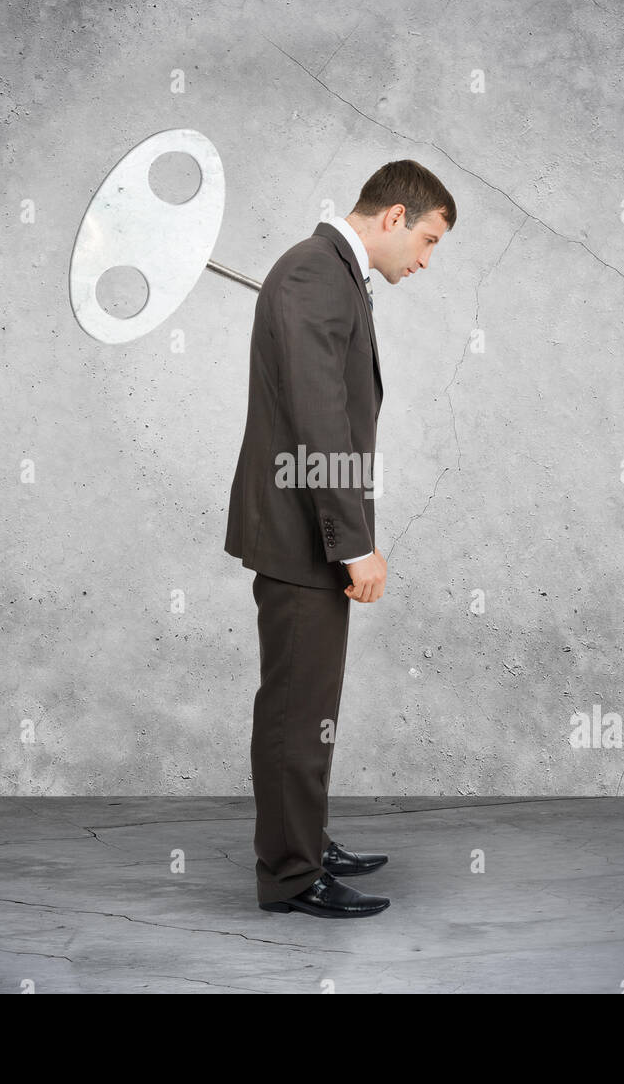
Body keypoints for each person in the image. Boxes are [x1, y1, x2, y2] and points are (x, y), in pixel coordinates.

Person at [224, 159, 457, 918]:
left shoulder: (324, 275)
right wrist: (354, 544)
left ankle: (305, 837)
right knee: (297, 704)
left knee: (309, 696)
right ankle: (290, 875)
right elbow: (321, 421)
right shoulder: (312, 276)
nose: (424, 261)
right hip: (303, 535)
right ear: (392, 217)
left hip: (306, 529)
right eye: (425, 241)